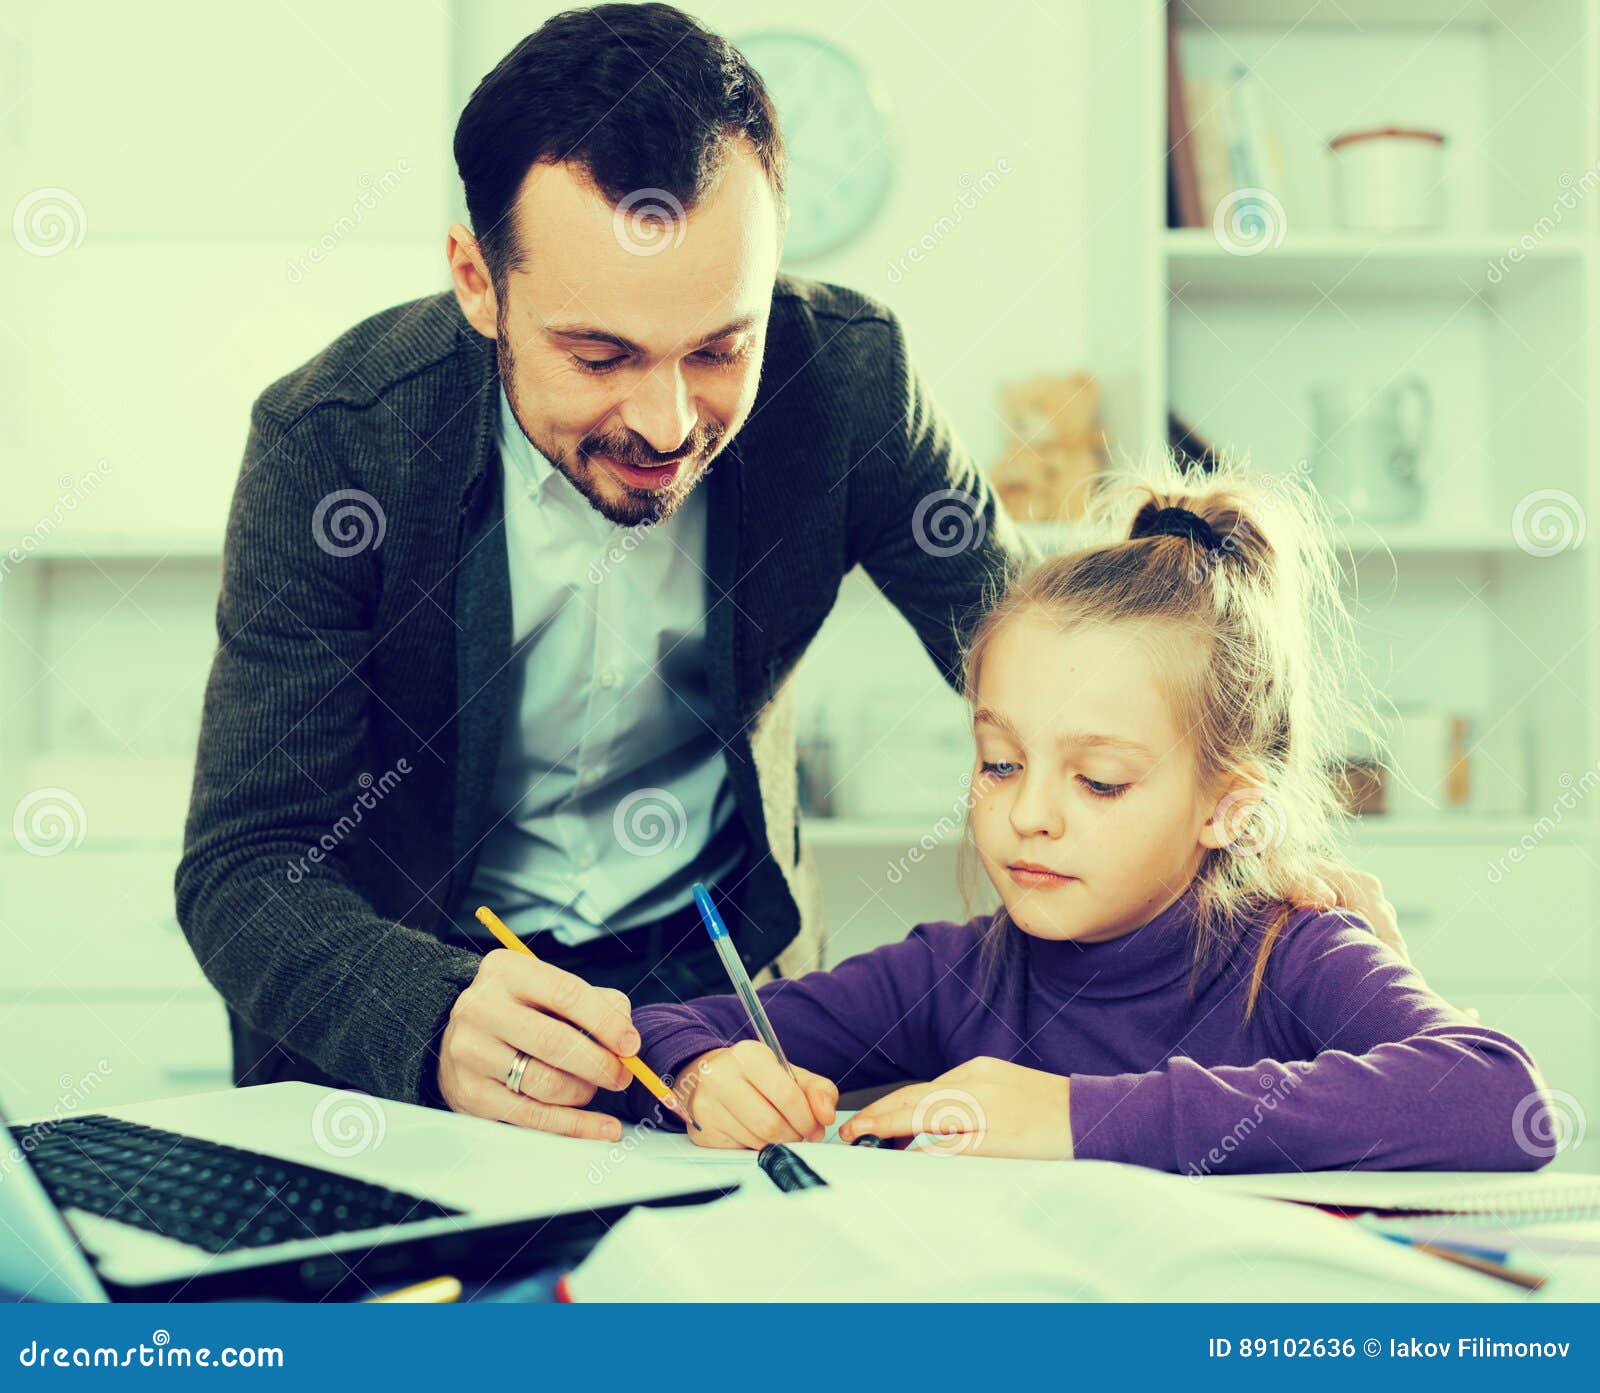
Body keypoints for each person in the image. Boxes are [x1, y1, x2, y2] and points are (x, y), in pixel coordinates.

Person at [176, 4, 1401, 1142]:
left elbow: (1060, 657)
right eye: (599, 354)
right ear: (477, 281)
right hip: (429, 999)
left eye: (720, 347)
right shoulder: (336, 440)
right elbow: (247, 862)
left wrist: (1242, 843)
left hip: (716, 993)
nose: (665, 423)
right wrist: (430, 1013)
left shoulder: (848, 381)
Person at [611, 458, 1553, 1173]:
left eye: (1098, 780)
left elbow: (1502, 1102)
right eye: (1000, 762)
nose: (1027, 814)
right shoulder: (957, 972)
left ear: (1228, 807)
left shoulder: (1297, 953)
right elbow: (652, 1030)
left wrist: (1065, 1114)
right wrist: (703, 1074)